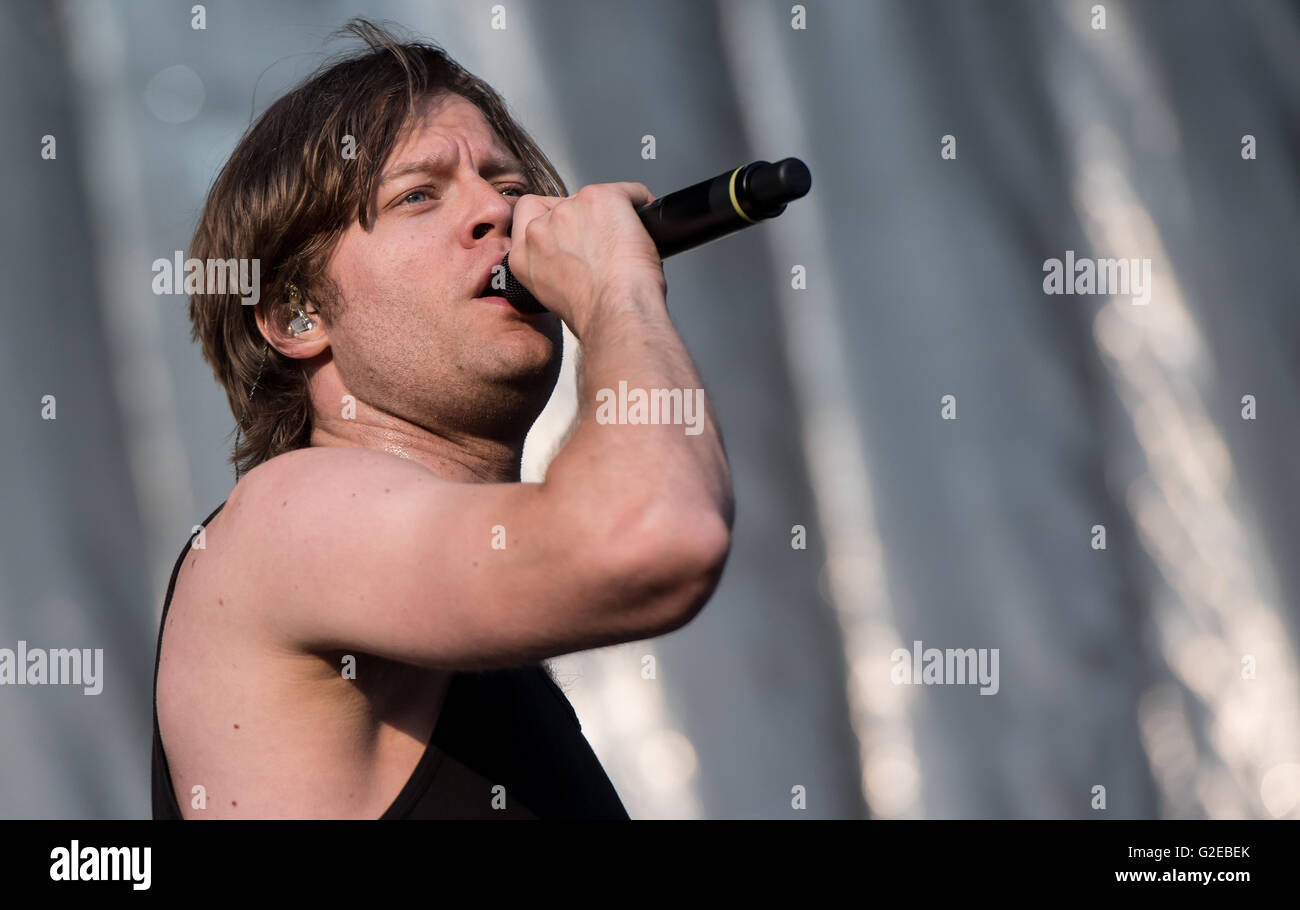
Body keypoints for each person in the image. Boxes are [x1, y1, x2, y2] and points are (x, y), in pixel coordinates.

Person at [150, 18, 734, 819]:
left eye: (512, 186)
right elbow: (657, 538)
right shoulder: (286, 517)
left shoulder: (465, 636)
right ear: (296, 314)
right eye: (419, 194)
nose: (497, 210)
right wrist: (616, 292)